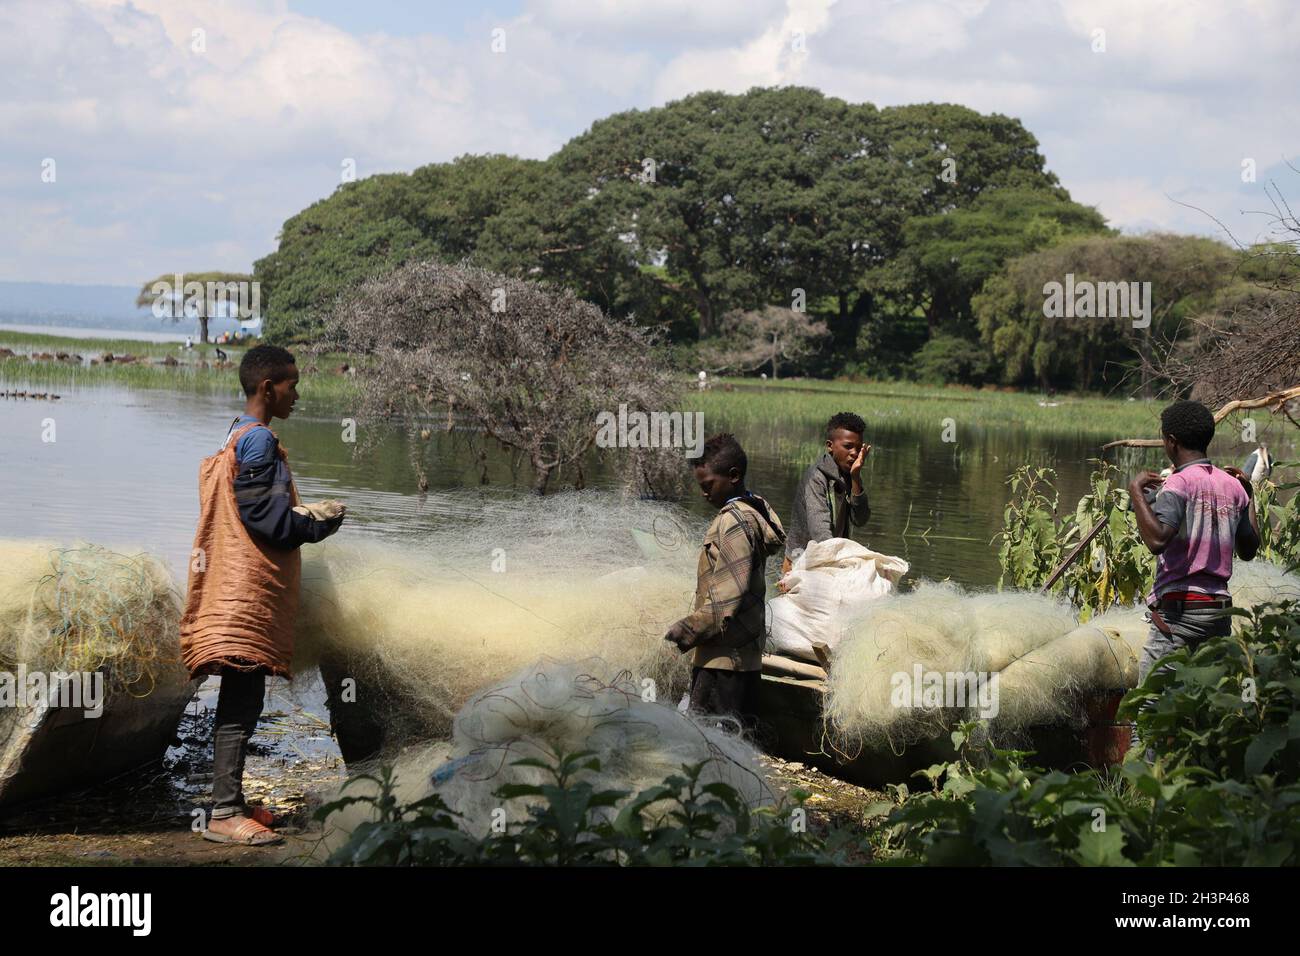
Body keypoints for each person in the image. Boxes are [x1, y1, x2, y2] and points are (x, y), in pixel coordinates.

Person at [179, 345, 346, 845]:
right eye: (292, 384)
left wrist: (302, 511)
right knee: (240, 701)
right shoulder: (261, 444)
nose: (298, 393)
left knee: (241, 698)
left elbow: (250, 507)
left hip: (227, 589)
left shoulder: (235, 434)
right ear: (267, 388)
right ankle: (225, 814)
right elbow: (265, 520)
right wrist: (321, 523)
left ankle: (231, 803)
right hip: (244, 598)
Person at [1128, 400, 1259, 751]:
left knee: (1147, 712)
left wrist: (1136, 492)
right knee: (1203, 708)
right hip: (1218, 614)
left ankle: (1137, 796)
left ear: (1171, 441)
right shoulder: (1232, 487)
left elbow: (1156, 539)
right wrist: (1250, 495)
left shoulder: (1179, 484)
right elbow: (1249, 549)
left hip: (1178, 613)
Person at [663, 433, 785, 728]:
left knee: (709, 744)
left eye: (708, 485)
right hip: (742, 654)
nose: (704, 494)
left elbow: (729, 593)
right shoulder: (753, 511)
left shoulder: (733, 522)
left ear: (733, 476)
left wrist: (687, 630)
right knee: (734, 738)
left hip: (724, 658)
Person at [782, 411, 871, 575]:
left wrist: (856, 478)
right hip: (800, 564)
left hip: (829, 560)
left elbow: (860, 519)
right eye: (848, 446)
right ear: (830, 446)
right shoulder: (816, 478)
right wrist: (839, 566)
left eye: (859, 448)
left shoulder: (849, 474)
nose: (854, 453)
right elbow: (820, 530)